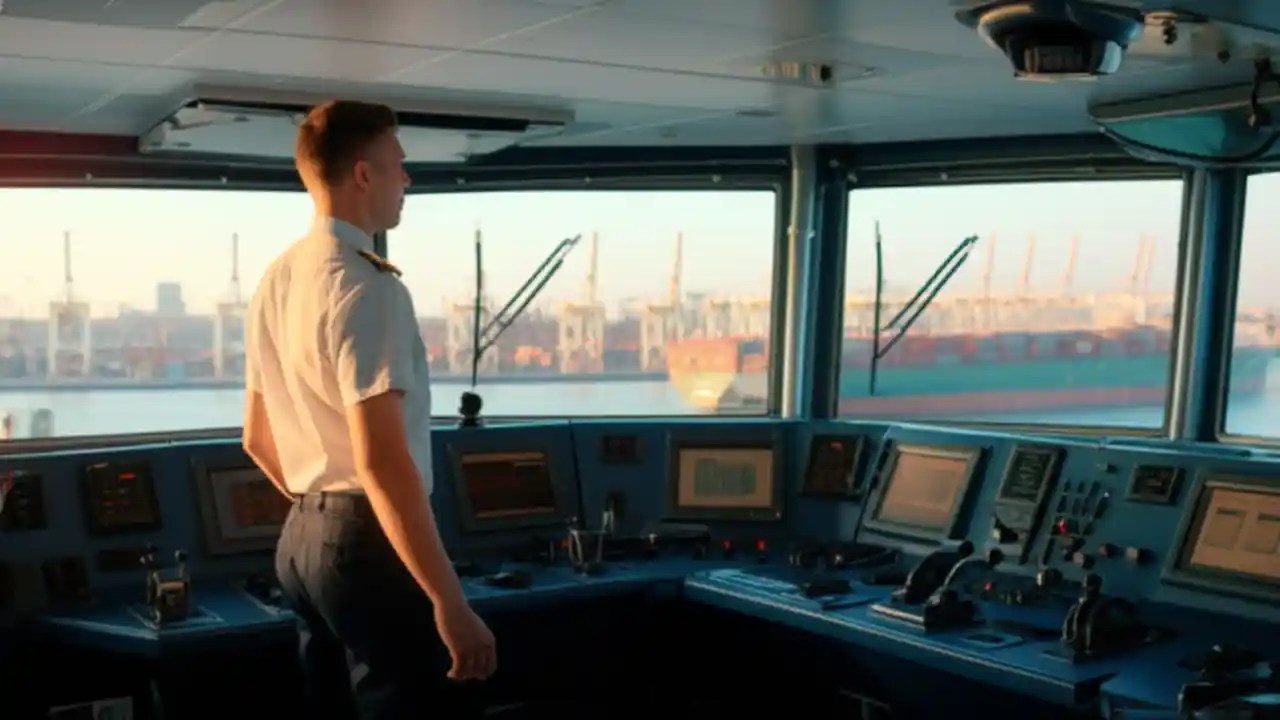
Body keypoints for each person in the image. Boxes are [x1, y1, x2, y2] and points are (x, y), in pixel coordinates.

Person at [240, 99, 496, 719]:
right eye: (398, 166)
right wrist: (449, 602)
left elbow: (256, 438)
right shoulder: (371, 287)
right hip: (367, 549)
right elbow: (382, 463)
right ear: (363, 175)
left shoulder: (277, 278)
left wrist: (319, 510)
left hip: (302, 544)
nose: (406, 181)